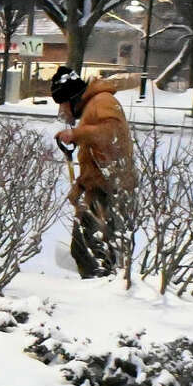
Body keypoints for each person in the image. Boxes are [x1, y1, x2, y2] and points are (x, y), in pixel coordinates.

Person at [51, 65, 138, 279]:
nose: (63, 112)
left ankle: (99, 297)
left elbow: (113, 134)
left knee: (93, 253)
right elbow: (95, 159)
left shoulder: (102, 102)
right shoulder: (93, 105)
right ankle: (97, 291)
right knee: (85, 250)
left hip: (109, 193)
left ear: (71, 98)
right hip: (98, 190)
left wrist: (77, 134)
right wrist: (79, 189)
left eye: (62, 105)